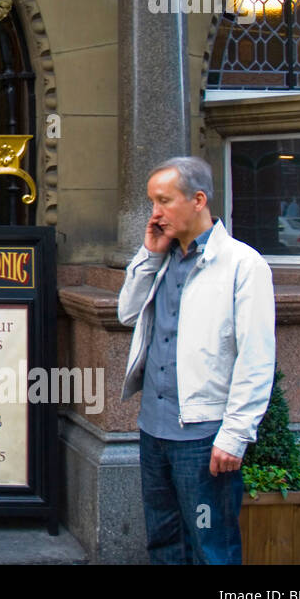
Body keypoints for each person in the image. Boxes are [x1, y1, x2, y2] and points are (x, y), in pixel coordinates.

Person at [117, 155, 275, 565]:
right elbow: (127, 314)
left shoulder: (244, 265)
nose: (155, 214)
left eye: (164, 201)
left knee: (211, 547)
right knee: (165, 543)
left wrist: (235, 434)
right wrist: (149, 255)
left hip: (204, 435)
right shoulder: (162, 256)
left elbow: (257, 358)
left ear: (198, 200)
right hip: (154, 429)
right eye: (152, 202)